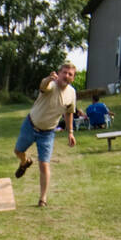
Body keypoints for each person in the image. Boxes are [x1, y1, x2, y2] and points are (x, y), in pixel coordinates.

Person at [14, 63, 77, 207]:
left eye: (70, 74)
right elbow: (43, 86)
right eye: (64, 72)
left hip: (47, 133)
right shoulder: (51, 85)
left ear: (72, 78)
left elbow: (69, 112)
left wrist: (71, 132)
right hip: (31, 125)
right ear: (59, 73)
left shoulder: (72, 93)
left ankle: (43, 199)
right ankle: (25, 162)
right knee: (18, 151)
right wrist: (49, 79)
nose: (66, 76)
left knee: (44, 164)